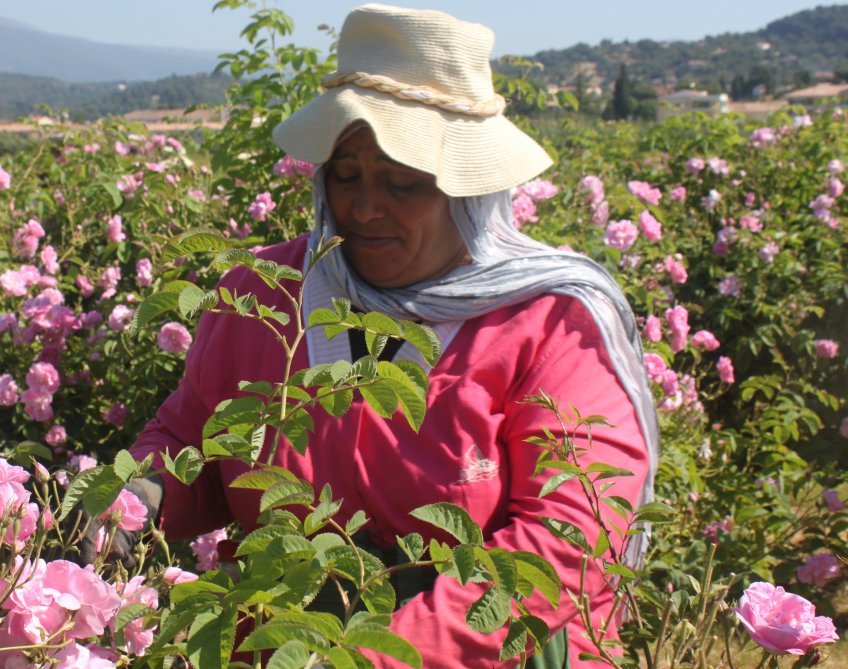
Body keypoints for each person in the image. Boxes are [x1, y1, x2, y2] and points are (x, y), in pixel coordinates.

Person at [121, 4, 658, 667]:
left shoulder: (549, 323)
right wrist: (138, 497)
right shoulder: (263, 297)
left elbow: (566, 542)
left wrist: (369, 655)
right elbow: (193, 437)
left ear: (468, 192)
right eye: (346, 174)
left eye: (402, 180)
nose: (363, 206)